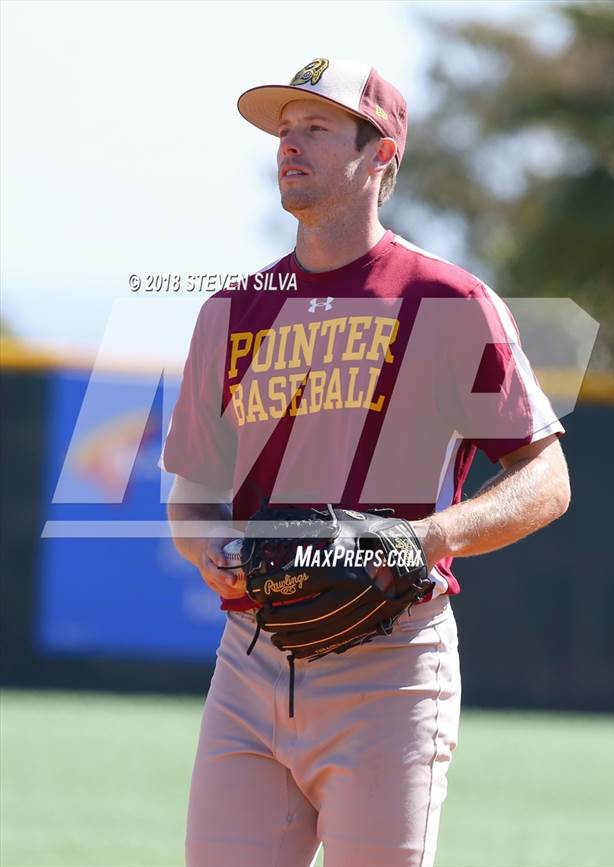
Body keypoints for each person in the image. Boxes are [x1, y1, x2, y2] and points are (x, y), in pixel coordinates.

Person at [162, 58, 571, 867]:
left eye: (316, 127)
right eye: (284, 129)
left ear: (381, 154)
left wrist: (422, 539)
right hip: (249, 660)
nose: (289, 144)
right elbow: (195, 491)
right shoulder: (231, 312)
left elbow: (547, 479)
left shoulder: (449, 302)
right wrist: (212, 547)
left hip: (391, 666)